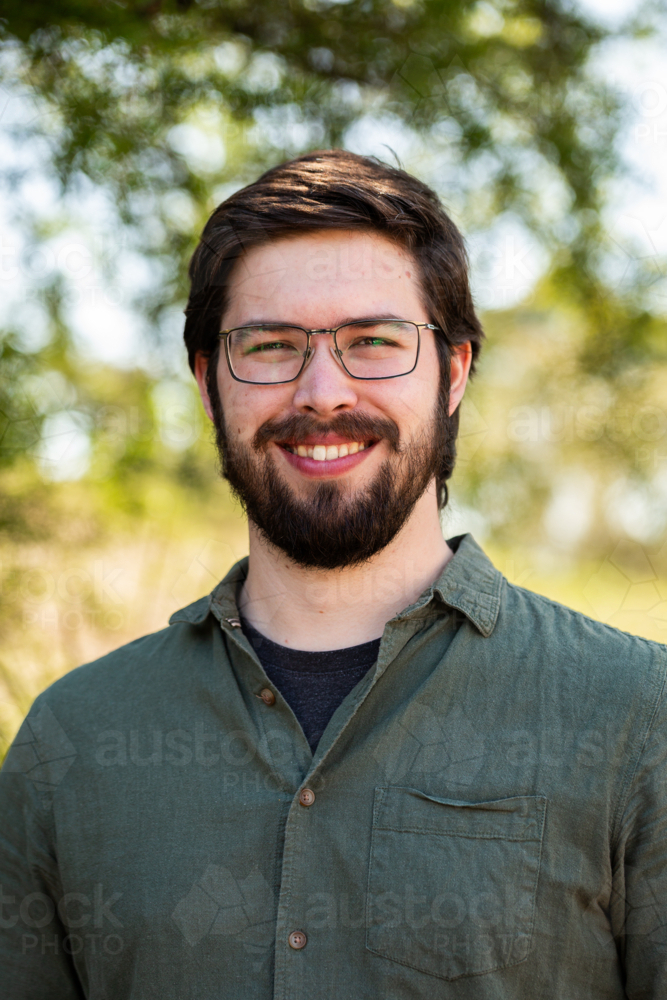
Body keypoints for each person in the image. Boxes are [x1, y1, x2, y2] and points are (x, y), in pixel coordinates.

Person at [1, 150, 665, 1000]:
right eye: (271, 345)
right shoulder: (73, 742)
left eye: (373, 342)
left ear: (453, 372)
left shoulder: (638, 720)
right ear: (208, 383)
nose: (322, 391)